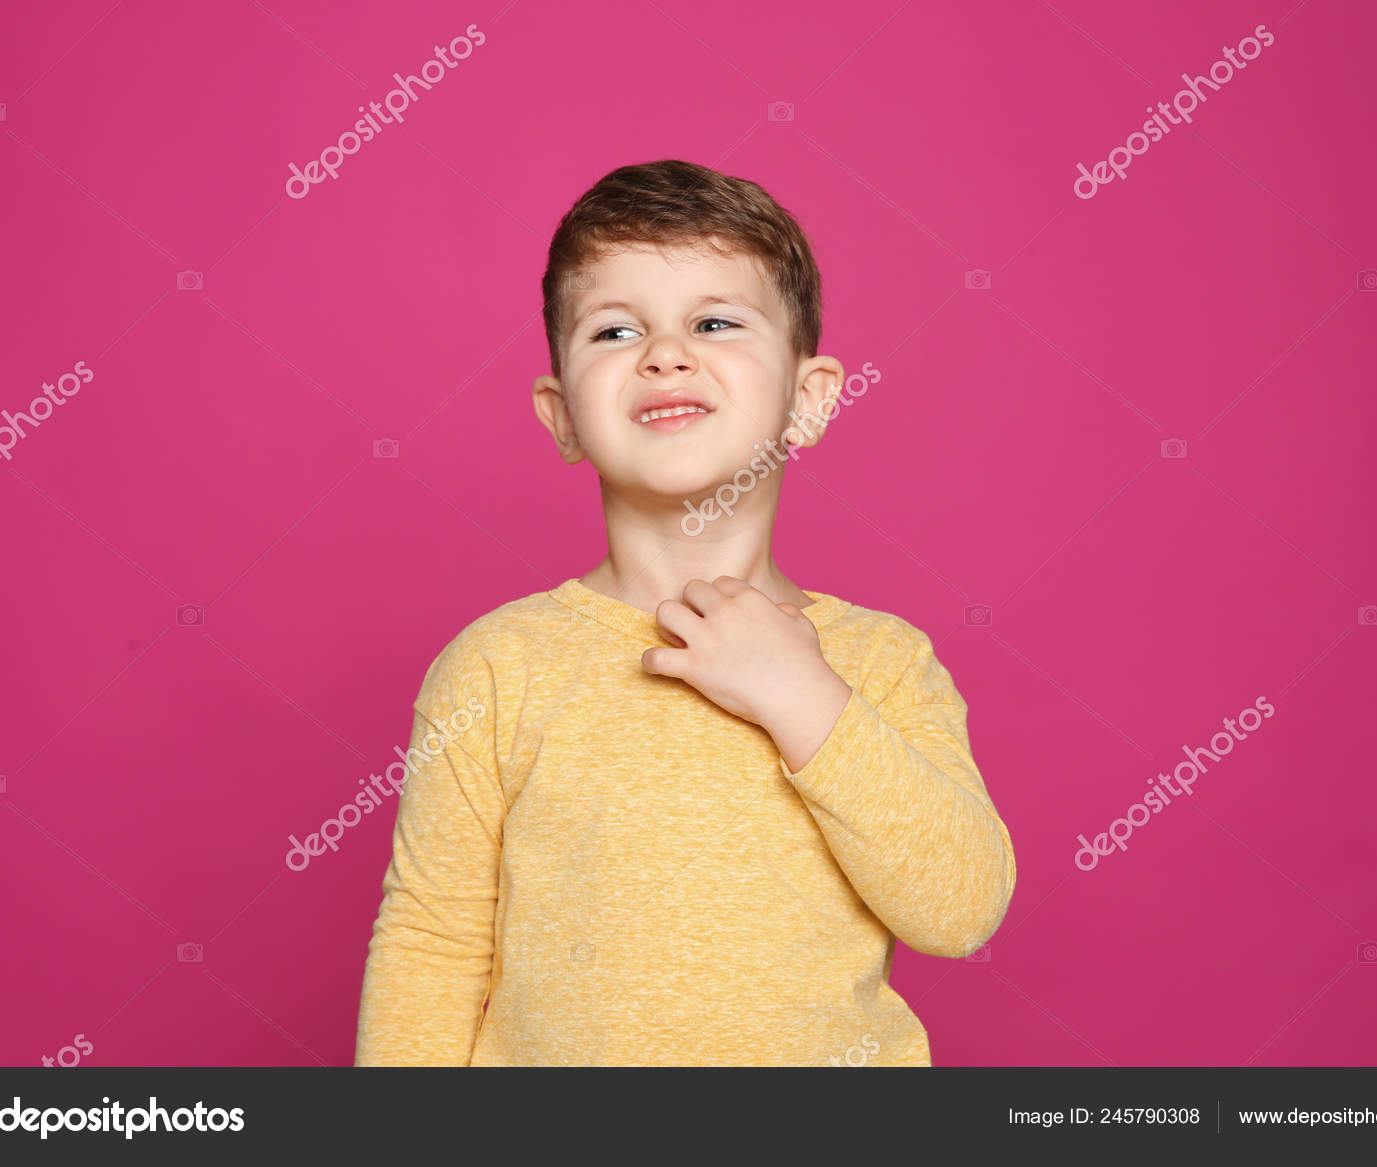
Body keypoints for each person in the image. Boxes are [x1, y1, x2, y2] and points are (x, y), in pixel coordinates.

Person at [353, 159, 1015, 1066]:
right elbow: (431, 947)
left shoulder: (881, 659)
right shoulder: (499, 666)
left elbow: (961, 906)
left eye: (714, 322)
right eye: (616, 330)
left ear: (811, 398)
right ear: (563, 418)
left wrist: (804, 696)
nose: (665, 353)